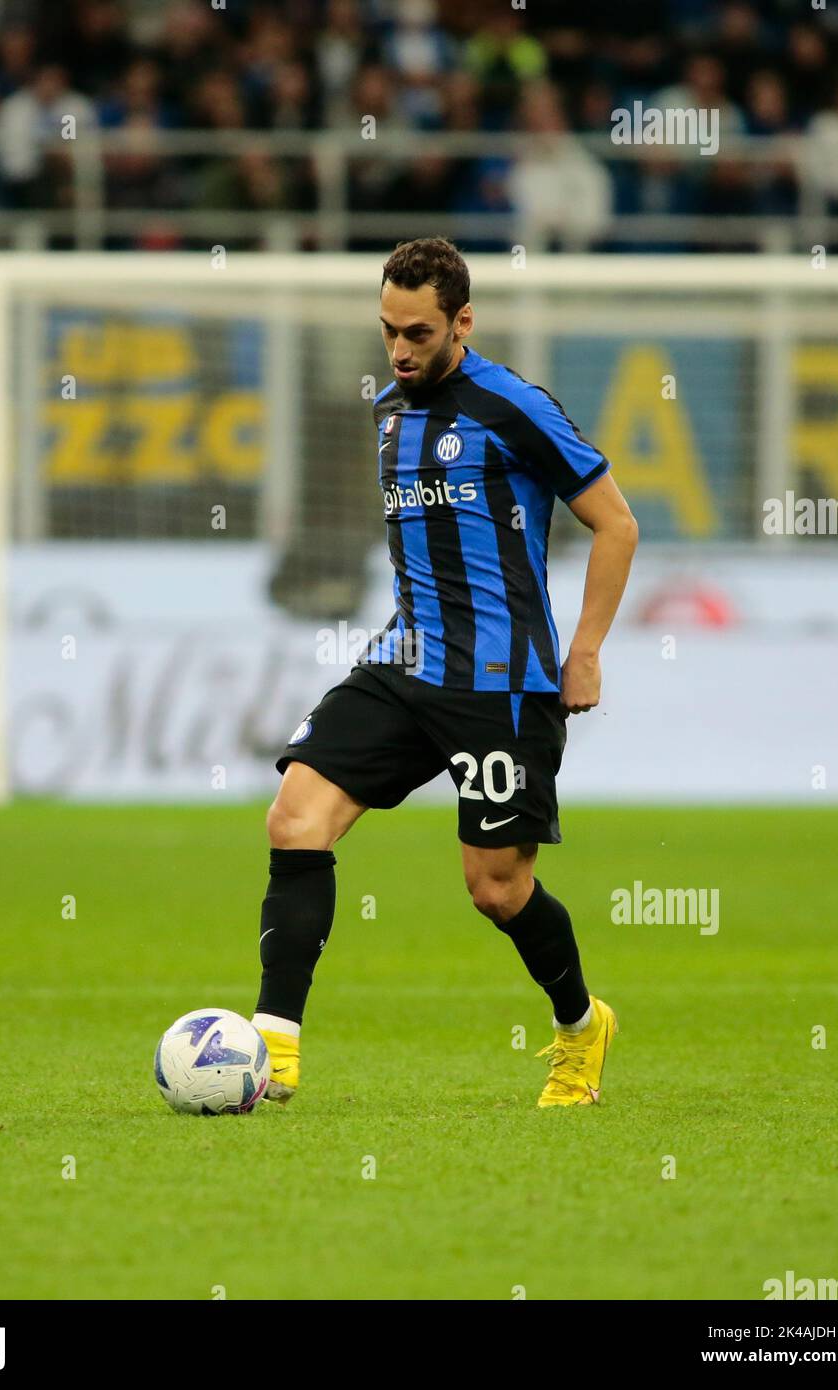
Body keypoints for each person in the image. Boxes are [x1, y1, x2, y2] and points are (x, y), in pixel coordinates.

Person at [252, 238, 638, 1109]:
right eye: (387, 330)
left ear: (462, 322)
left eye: (417, 332)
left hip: (502, 684)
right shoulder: (390, 410)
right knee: (295, 817)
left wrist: (584, 651)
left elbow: (616, 525)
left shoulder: (514, 407)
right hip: (404, 660)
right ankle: (271, 1051)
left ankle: (582, 1028)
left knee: (496, 888)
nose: (398, 349)